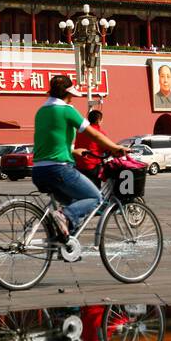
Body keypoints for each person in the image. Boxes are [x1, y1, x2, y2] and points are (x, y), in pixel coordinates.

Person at [32, 74, 127, 240]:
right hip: (59, 169)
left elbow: (51, 139)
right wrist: (115, 147)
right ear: (67, 94)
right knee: (95, 197)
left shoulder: (41, 111)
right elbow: (95, 135)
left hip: (38, 171)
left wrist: (73, 151)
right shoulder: (67, 110)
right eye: (71, 96)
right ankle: (64, 216)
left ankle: (65, 240)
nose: (71, 100)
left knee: (74, 201)